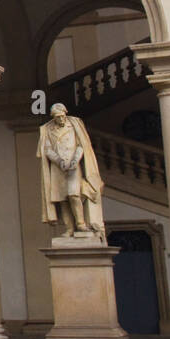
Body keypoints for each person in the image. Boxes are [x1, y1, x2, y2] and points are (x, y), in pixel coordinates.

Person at [38, 102, 104, 238]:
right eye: (57, 117)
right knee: (62, 199)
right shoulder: (48, 129)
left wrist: (75, 160)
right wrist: (58, 161)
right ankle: (69, 228)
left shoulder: (74, 125)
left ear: (65, 114)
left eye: (62, 116)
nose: (61, 119)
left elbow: (81, 145)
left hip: (73, 166)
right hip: (58, 168)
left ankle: (80, 224)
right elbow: (47, 149)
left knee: (74, 195)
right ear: (53, 117)